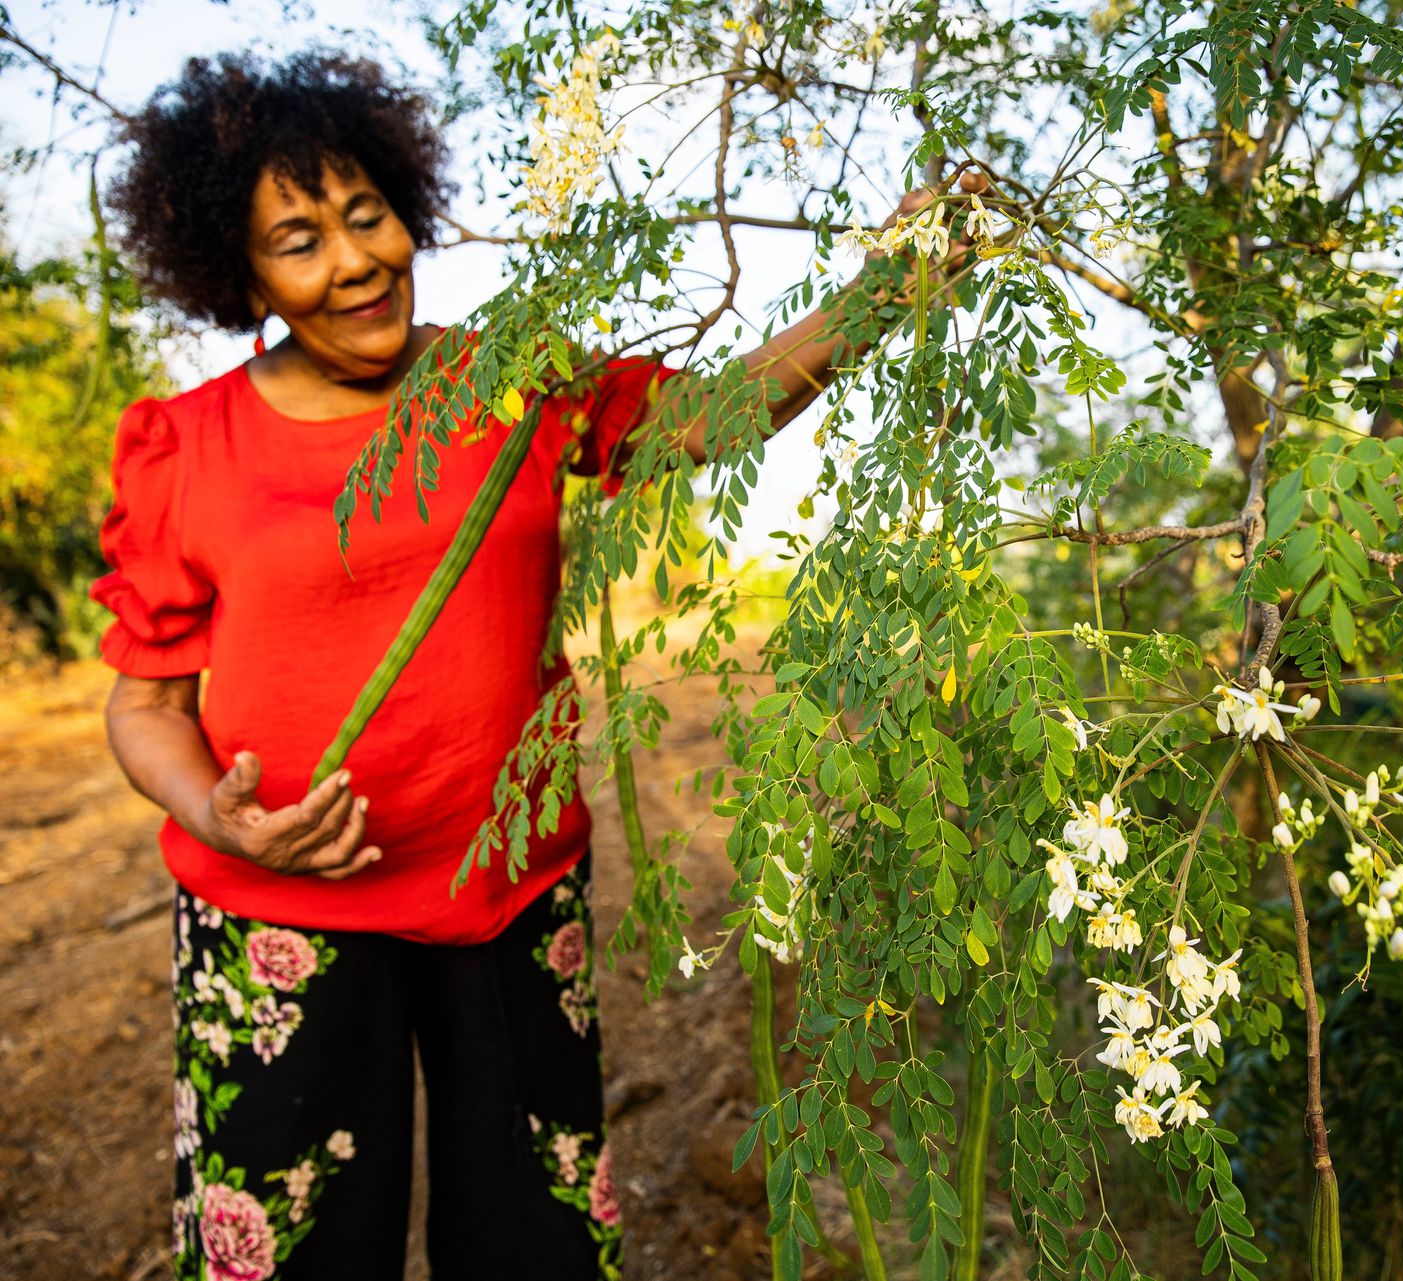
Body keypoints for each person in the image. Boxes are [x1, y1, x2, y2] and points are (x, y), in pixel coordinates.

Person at [95, 48, 974, 1280]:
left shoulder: (503, 379)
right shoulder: (187, 449)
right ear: (241, 275)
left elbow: (700, 421)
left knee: (534, 1242)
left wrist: (887, 289)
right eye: (299, 240)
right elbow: (142, 709)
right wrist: (221, 820)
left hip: (507, 890)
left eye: (367, 215)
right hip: (277, 916)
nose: (353, 260)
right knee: (294, 1254)